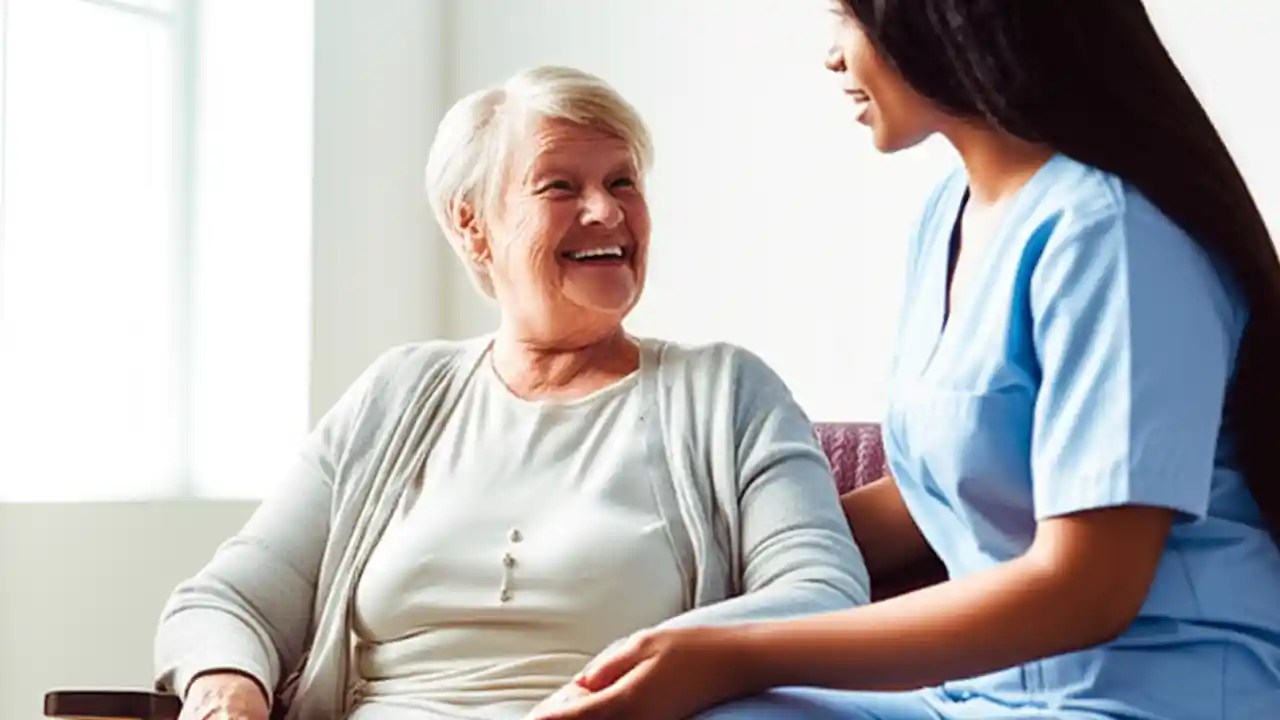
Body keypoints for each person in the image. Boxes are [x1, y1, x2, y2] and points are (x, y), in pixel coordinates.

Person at [530, 2, 1280, 719]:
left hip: (1154, 696)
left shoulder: (1112, 236)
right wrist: (674, 564)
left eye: (848, 17)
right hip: (981, 699)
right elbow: (944, 490)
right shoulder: (953, 211)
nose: (833, 56)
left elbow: (1088, 589)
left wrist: (738, 654)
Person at [153, 65, 869, 720]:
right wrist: (226, 692)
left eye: (623, 182)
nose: (607, 211)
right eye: (561, 186)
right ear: (472, 224)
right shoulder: (397, 394)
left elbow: (820, 593)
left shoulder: (725, 392)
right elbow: (227, 600)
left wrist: (660, 664)